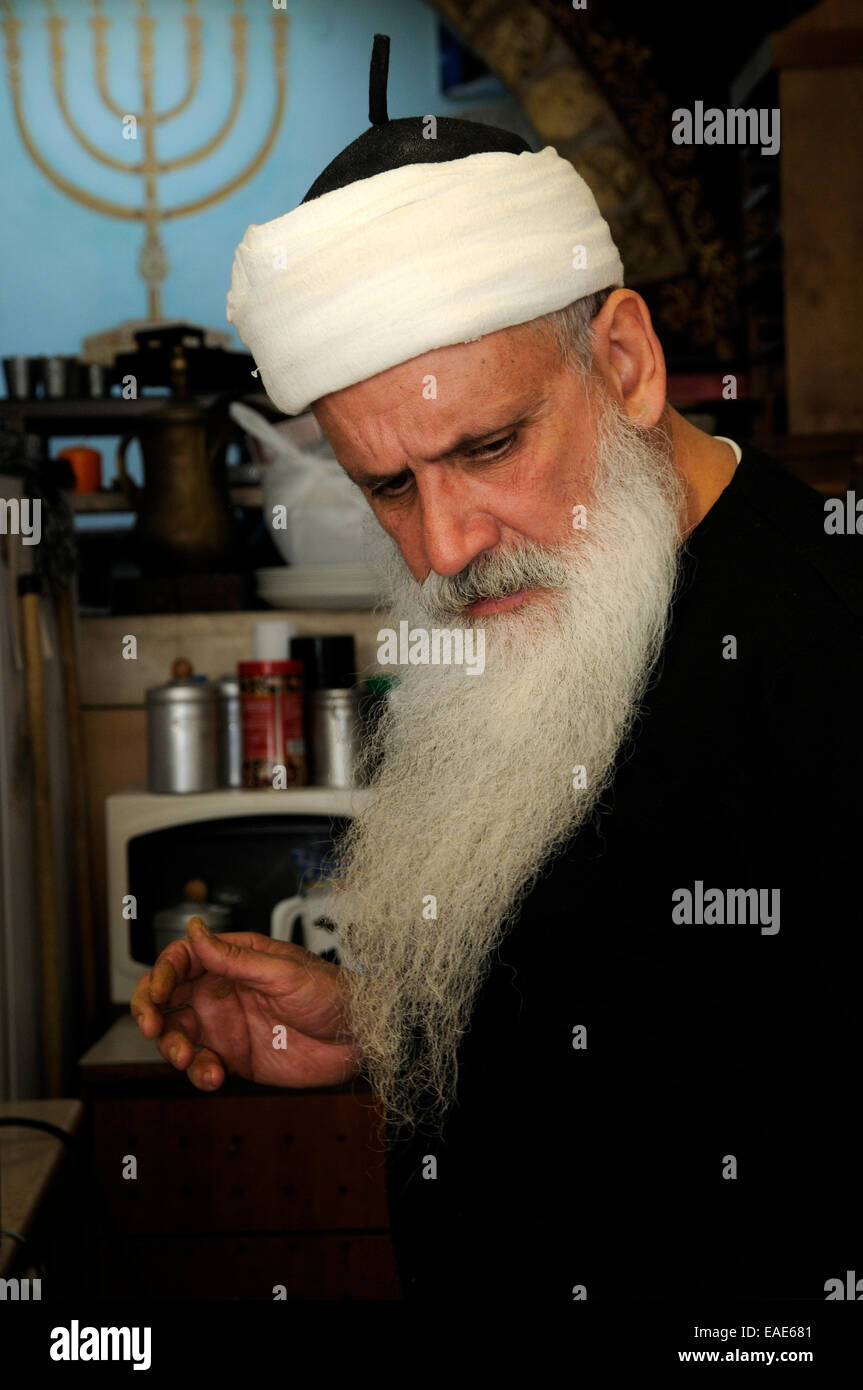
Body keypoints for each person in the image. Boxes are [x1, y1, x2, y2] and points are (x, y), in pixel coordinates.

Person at [132, 37, 862, 1302]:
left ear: (624, 365)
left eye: (487, 446)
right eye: (387, 486)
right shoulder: (543, 611)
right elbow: (630, 1009)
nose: (446, 544)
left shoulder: (828, 650)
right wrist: (379, 1022)